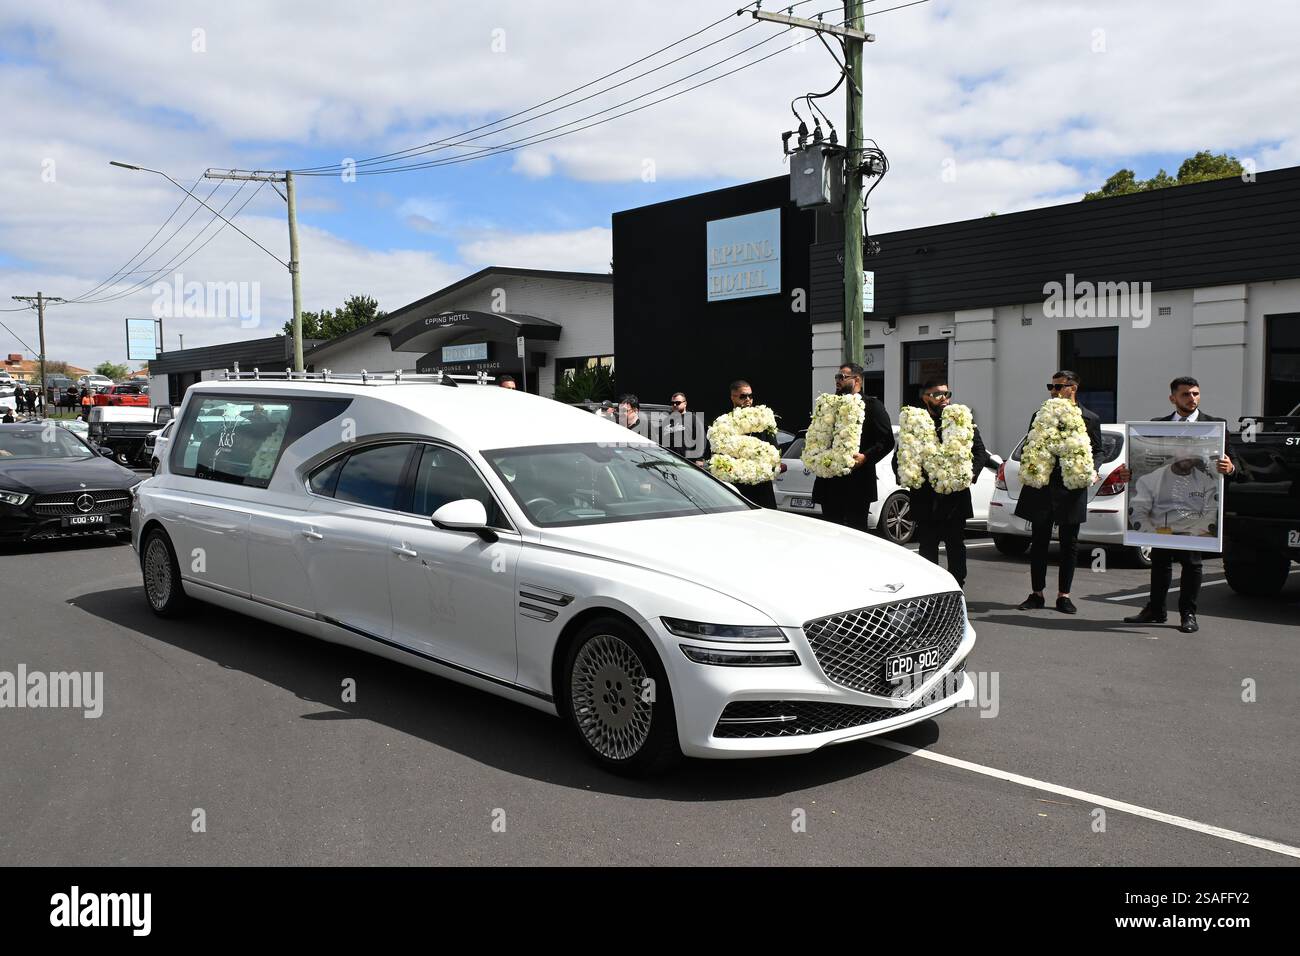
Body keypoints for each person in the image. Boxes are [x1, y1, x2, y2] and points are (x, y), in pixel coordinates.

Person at [1115, 376, 1236, 634]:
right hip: (1162, 510)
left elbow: (1234, 462)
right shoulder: (1157, 426)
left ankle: (1188, 613)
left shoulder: (1214, 426)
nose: (1192, 399)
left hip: (1195, 507)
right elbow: (1139, 464)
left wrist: (1231, 467)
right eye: (1186, 394)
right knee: (1160, 561)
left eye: (1195, 394)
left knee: (1192, 562)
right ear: (1173, 398)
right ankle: (1155, 610)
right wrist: (1129, 474)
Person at [1015, 370, 1105, 614]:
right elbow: (1029, 444)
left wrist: (1091, 469)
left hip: (1070, 489)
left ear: (1072, 388)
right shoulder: (1040, 414)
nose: (1052, 391)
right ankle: (1037, 593)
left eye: (1057, 387)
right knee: (1039, 542)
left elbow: (1098, 450)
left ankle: (1064, 595)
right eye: (1050, 387)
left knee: (1070, 544)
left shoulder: (1089, 418)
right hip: (1042, 488)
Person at [892, 379, 989, 587]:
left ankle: (957, 587)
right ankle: (932, 591)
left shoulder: (961, 420)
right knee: (927, 546)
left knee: (956, 545)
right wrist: (906, 475)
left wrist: (970, 474)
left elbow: (980, 452)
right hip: (926, 498)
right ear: (925, 397)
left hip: (955, 497)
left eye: (947, 393)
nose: (944, 398)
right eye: (937, 394)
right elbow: (899, 456)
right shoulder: (913, 423)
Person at [812, 363, 895, 531]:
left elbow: (886, 441)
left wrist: (866, 457)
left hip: (857, 484)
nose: (837, 380)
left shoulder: (872, 406)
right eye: (836, 377)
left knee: (856, 534)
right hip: (829, 484)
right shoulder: (829, 405)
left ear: (856, 380)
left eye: (842, 377)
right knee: (829, 532)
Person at [663, 391, 704, 462]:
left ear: (685, 403)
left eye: (678, 403)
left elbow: (701, 439)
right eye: (672, 403)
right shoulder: (667, 420)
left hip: (688, 463)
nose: (675, 405)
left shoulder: (693, 418)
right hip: (670, 461)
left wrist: (699, 459)